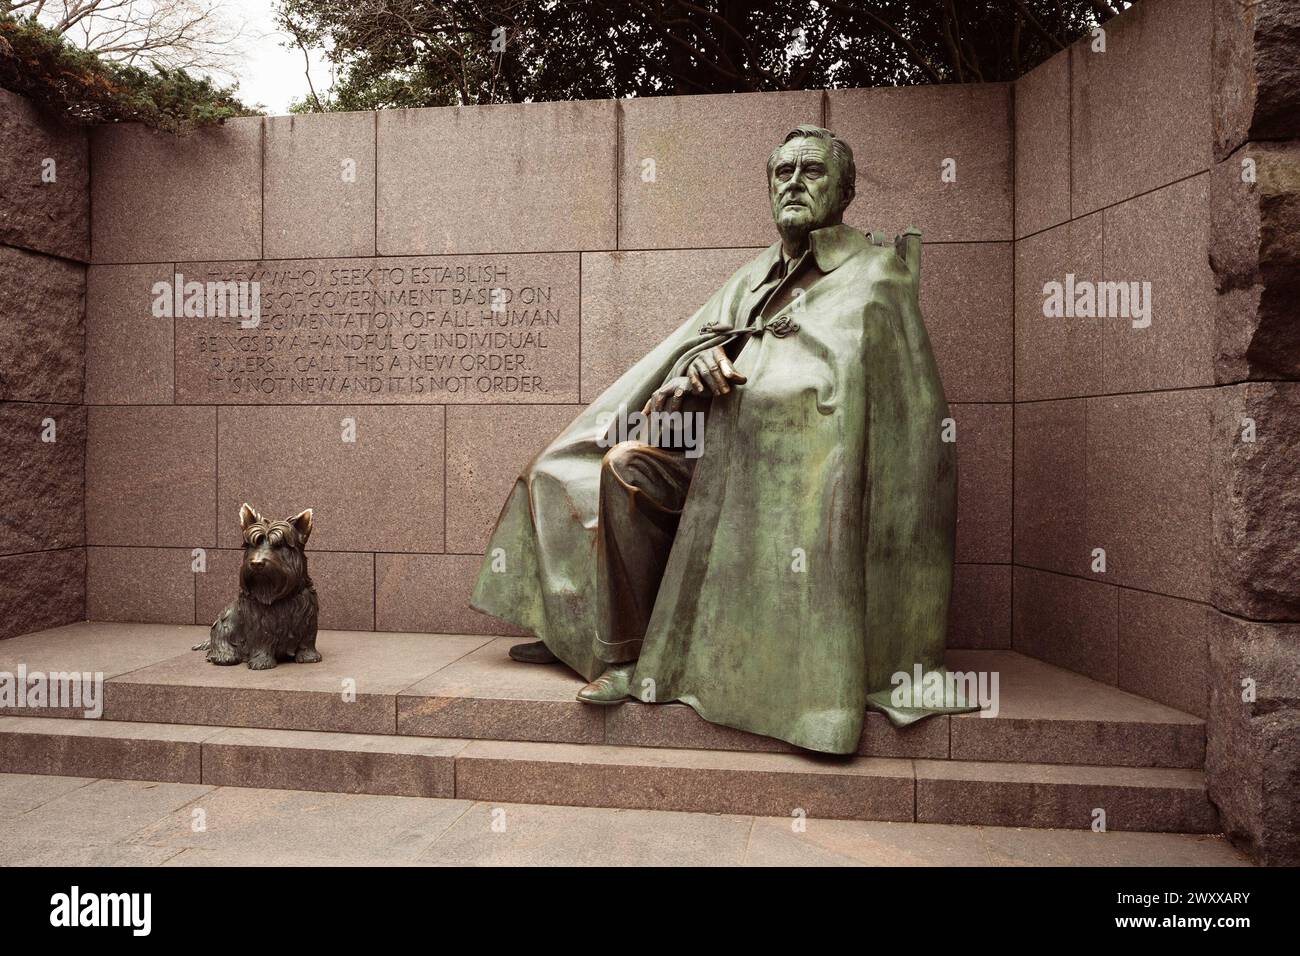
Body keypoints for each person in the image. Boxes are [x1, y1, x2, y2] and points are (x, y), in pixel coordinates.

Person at [470, 125, 976, 754]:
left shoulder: (876, 278)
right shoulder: (753, 275)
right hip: (710, 459)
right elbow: (697, 351)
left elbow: (877, 411)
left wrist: (753, 392)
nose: (793, 182)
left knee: (635, 466)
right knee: (611, 464)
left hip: (799, 485)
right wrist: (694, 373)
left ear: (844, 190)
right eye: (781, 172)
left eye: (811, 171)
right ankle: (615, 651)